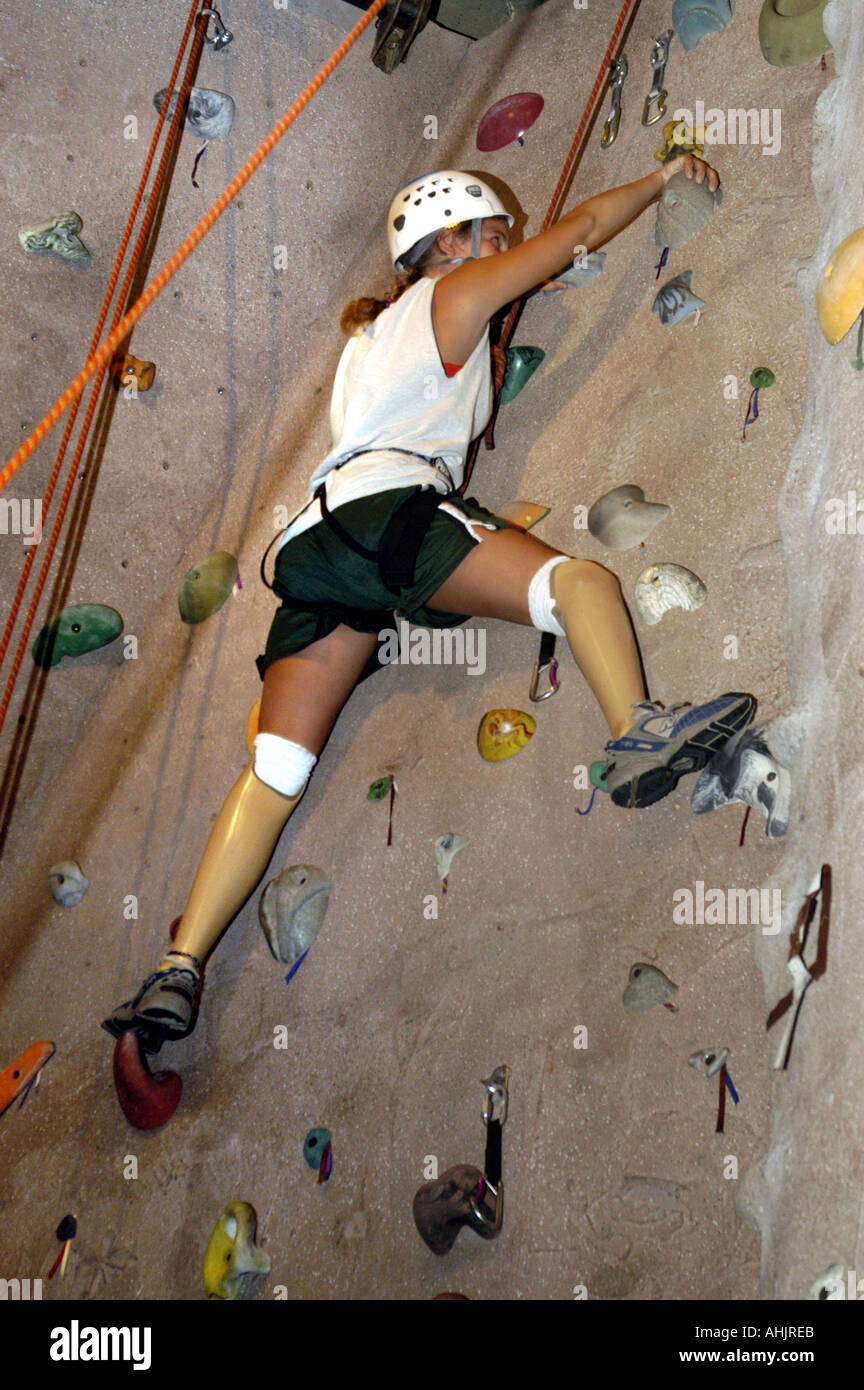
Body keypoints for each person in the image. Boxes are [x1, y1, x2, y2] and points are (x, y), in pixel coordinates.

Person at [103, 157, 754, 1050]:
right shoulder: (450, 298)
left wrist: (542, 278)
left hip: (315, 549)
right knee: (582, 585)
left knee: (277, 773)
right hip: (395, 515)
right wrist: (658, 179)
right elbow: (581, 228)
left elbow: (506, 308)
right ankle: (638, 727)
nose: (508, 249)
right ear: (449, 245)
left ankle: (179, 964)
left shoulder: (372, 342)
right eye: (494, 237)